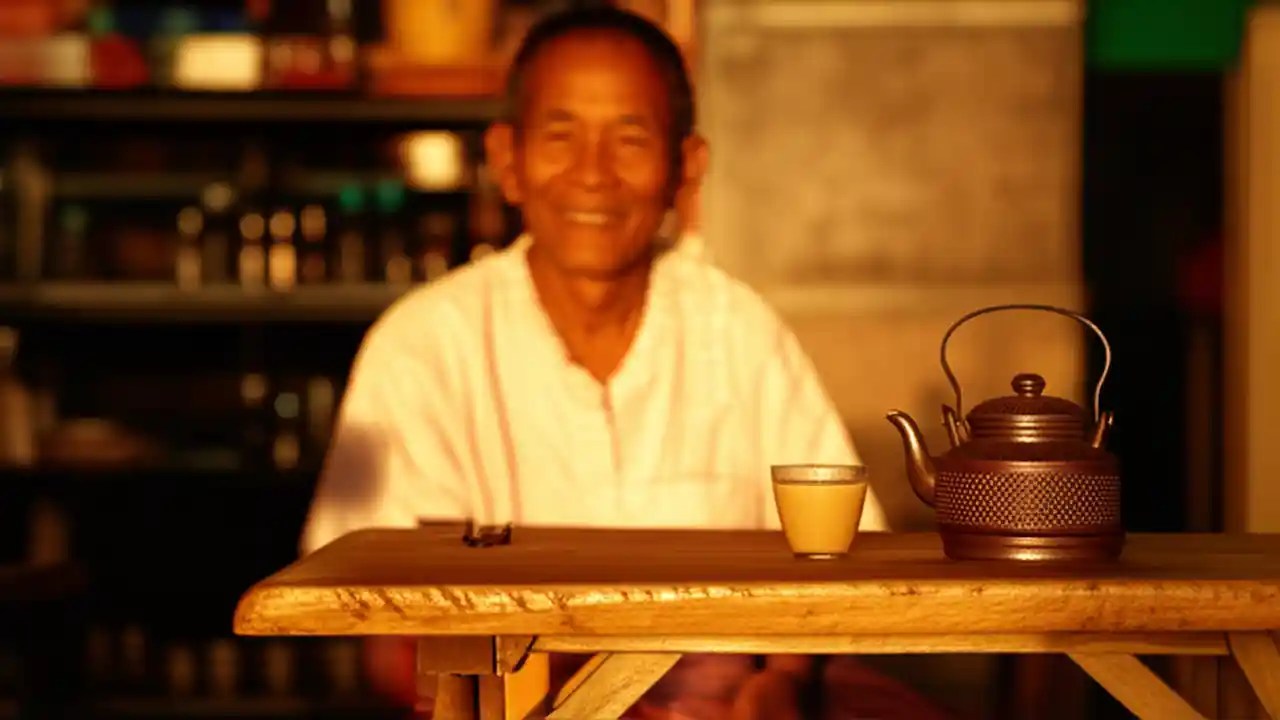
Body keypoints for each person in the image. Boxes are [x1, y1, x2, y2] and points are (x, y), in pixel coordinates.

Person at [300, 7, 948, 719]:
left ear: (687, 166)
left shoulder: (737, 330)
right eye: (561, 135)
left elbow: (838, 557)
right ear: (507, 160)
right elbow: (370, 610)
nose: (593, 174)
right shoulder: (424, 343)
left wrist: (780, 682)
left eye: (630, 138)